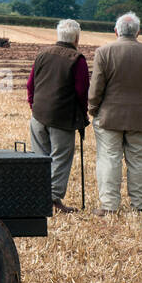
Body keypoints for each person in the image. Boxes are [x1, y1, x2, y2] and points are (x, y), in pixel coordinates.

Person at [88, 12, 142, 216]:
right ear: (138, 32)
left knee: (108, 159)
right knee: (139, 161)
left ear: (116, 31)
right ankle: (139, 205)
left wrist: (93, 109)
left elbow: (96, 88)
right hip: (140, 116)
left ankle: (109, 206)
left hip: (109, 116)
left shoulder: (103, 52)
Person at [27, 19, 90, 214]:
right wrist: (83, 114)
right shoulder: (77, 59)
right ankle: (52, 200)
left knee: (40, 158)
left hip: (38, 116)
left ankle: (37, 198)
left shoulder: (42, 54)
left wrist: (33, 106)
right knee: (60, 159)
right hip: (62, 118)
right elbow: (82, 91)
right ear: (77, 38)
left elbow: (30, 84)